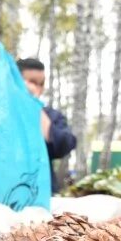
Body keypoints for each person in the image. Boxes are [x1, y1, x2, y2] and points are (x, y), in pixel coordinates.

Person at [16, 58, 77, 193]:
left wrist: (33, 104)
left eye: (41, 83)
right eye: (32, 82)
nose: (36, 88)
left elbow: (64, 144)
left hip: (40, 193)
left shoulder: (51, 115)